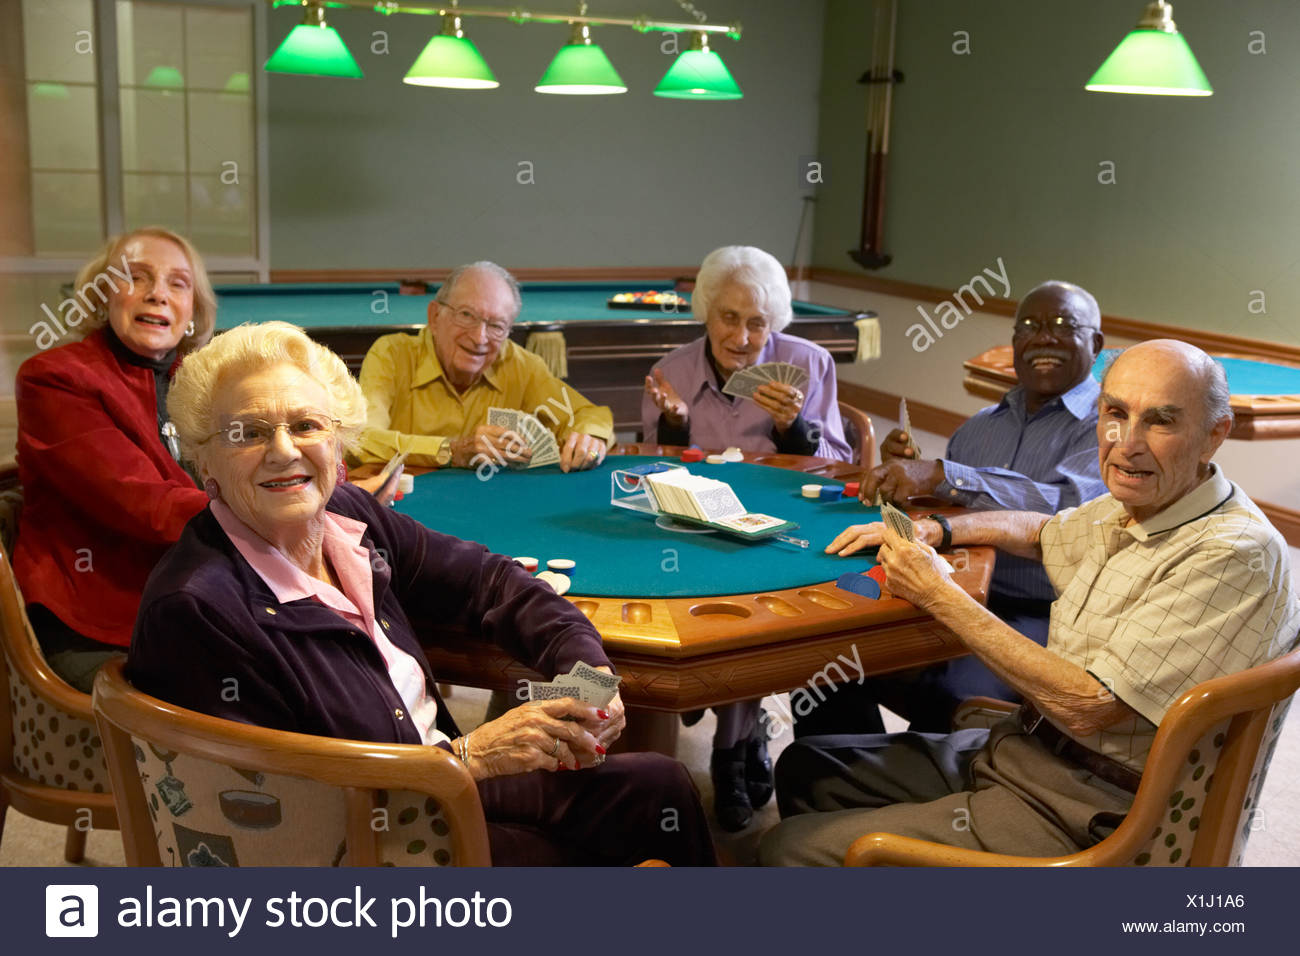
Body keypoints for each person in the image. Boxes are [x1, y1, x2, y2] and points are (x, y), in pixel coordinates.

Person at [127, 321, 715, 866]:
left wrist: (586, 673)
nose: (284, 450)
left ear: (338, 444)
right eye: (249, 433)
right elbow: (272, 812)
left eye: (306, 425)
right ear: (205, 464)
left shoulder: (347, 512)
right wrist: (471, 758)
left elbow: (489, 580)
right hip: (371, 845)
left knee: (660, 789)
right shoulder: (195, 609)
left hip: (440, 780)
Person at [760, 340, 1299, 865]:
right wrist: (938, 530)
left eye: (1160, 421)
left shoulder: (1232, 553)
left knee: (787, 850)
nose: (1128, 442)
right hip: (1023, 749)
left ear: (1213, 435)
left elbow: (1088, 705)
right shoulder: (1144, 500)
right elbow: (1042, 531)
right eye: (1115, 413)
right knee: (807, 766)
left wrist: (939, 594)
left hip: (1091, 810)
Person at [802, 280, 1109, 734]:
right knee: (826, 664)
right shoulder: (978, 428)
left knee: (951, 694)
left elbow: (1066, 509)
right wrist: (908, 479)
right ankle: (852, 786)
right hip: (949, 593)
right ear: (1015, 343)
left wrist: (942, 475)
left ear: (1096, 344)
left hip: (1047, 615)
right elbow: (948, 513)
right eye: (1029, 326)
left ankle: (931, 792)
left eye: (1063, 325)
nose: (1044, 337)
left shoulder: (1108, 426)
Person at [641, 245, 853, 832]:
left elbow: (841, 464)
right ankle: (737, 724)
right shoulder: (671, 371)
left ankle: (730, 750)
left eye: (757, 321)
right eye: (729, 318)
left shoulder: (809, 364)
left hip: (783, 530)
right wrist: (675, 425)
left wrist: (794, 427)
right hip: (686, 530)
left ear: (775, 322)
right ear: (706, 314)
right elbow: (642, 471)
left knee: (748, 612)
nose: (743, 336)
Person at [13, 227, 215, 692]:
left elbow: (265, 453)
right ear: (103, 296)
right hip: (102, 625)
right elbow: (145, 504)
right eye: (136, 277)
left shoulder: (205, 382)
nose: (158, 294)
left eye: (177, 283)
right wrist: (269, 508)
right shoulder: (54, 379)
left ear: (192, 312)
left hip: (201, 599)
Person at [357, 261, 613, 473]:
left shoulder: (523, 366)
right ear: (435, 317)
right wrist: (451, 450)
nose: (480, 338)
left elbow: (588, 413)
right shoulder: (392, 354)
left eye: (496, 326)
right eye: (466, 315)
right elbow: (360, 438)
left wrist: (590, 437)